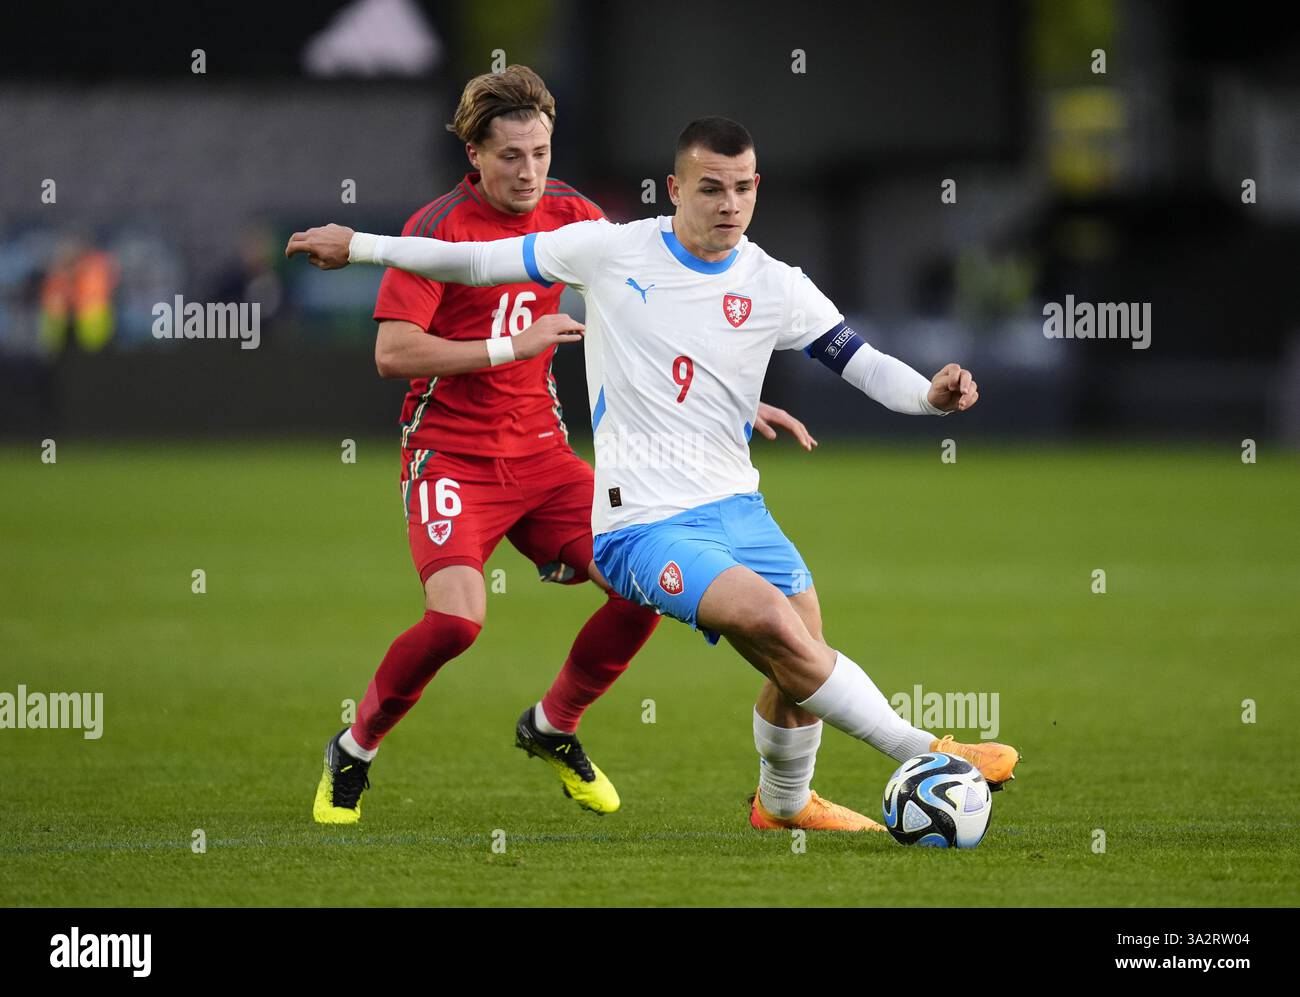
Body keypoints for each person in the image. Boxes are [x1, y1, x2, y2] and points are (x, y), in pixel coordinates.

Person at [288, 116, 1020, 833]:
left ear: (757, 187)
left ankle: (784, 804)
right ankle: (930, 753)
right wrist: (358, 245)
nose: (728, 204)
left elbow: (862, 362)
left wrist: (929, 396)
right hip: (641, 522)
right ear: (675, 188)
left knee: (801, 651)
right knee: (767, 619)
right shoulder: (611, 250)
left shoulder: (776, 282)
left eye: (741, 188)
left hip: (736, 504)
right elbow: (473, 263)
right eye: (710, 188)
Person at [307, 72, 823, 826]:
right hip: (451, 454)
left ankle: (553, 724)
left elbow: (658, 314)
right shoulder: (438, 228)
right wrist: (508, 344)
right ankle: (355, 748)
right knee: (457, 621)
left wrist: (729, 398)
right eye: (510, 155)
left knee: (646, 580)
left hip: (544, 456)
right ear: (474, 154)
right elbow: (393, 353)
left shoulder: (573, 216)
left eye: (541, 153)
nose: (528, 172)